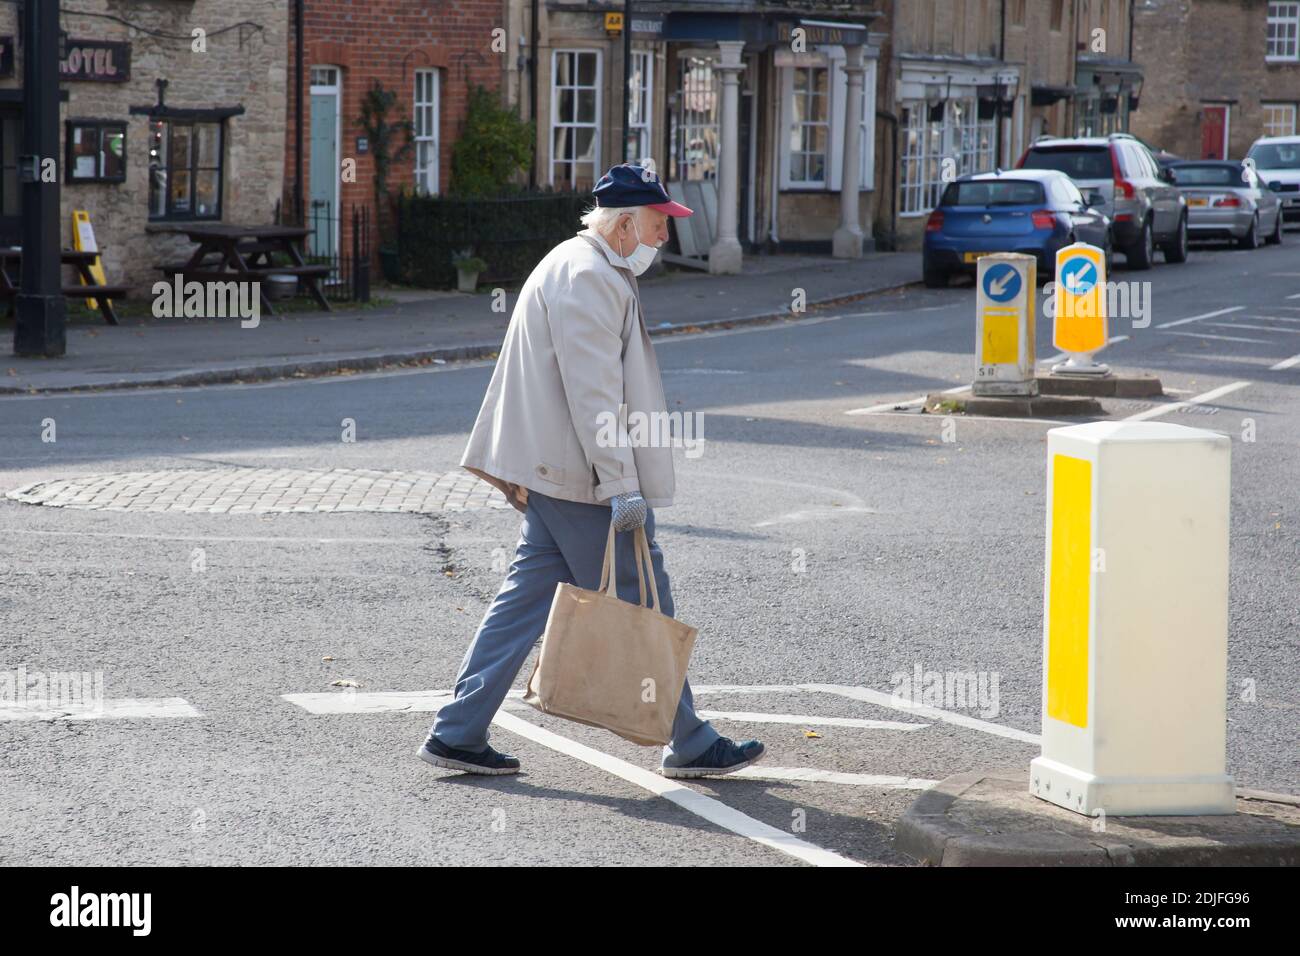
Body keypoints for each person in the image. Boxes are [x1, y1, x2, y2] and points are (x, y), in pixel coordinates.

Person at [416, 163, 765, 779]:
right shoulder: (590, 276)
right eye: (660, 224)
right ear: (626, 224)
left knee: (525, 602)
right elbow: (594, 394)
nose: (665, 238)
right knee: (644, 595)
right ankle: (689, 740)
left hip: (558, 472)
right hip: (582, 479)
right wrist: (622, 485)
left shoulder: (579, 265)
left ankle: (459, 729)